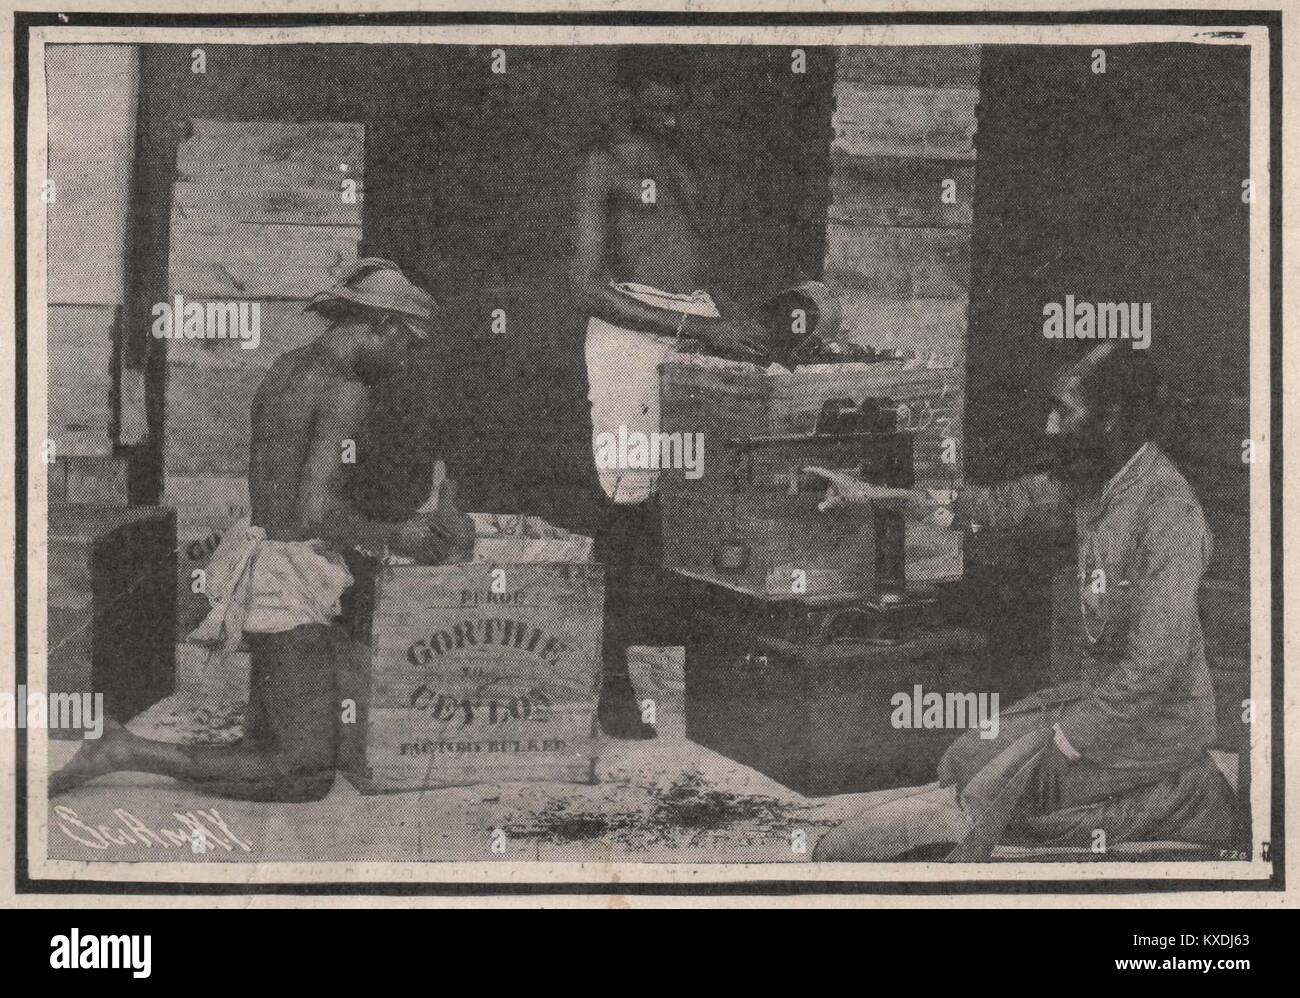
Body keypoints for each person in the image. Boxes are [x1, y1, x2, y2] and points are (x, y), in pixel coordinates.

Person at [50, 259, 475, 802]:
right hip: (288, 581)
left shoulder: (292, 367)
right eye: (405, 347)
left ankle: (135, 749)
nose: (401, 363)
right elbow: (311, 514)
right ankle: (125, 750)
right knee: (301, 774)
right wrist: (404, 537)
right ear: (384, 326)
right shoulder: (346, 388)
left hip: (270, 565)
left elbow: (293, 500)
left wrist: (394, 523)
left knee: (284, 747)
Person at [811, 343, 1237, 861]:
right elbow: (995, 506)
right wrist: (874, 496)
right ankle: (1141, 790)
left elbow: (1153, 670)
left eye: (1064, 410)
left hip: (1158, 720)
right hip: (1105, 699)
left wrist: (1066, 740)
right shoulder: (1096, 482)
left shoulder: (1171, 514)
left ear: (1111, 419)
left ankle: (1191, 799)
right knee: (962, 764)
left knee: (1005, 803)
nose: (1051, 426)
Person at [568, 47, 770, 739]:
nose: (670, 113)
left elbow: (693, 269)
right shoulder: (602, 166)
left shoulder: (681, 164)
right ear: (626, 96)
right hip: (631, 339)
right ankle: (611, 686)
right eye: (655, 102)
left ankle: (727, 681)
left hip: (694, 330)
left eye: (678, 101)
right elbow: (588, 287)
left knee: (710, 502)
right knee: (625, 510)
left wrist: (740, 324)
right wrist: (698, 325)